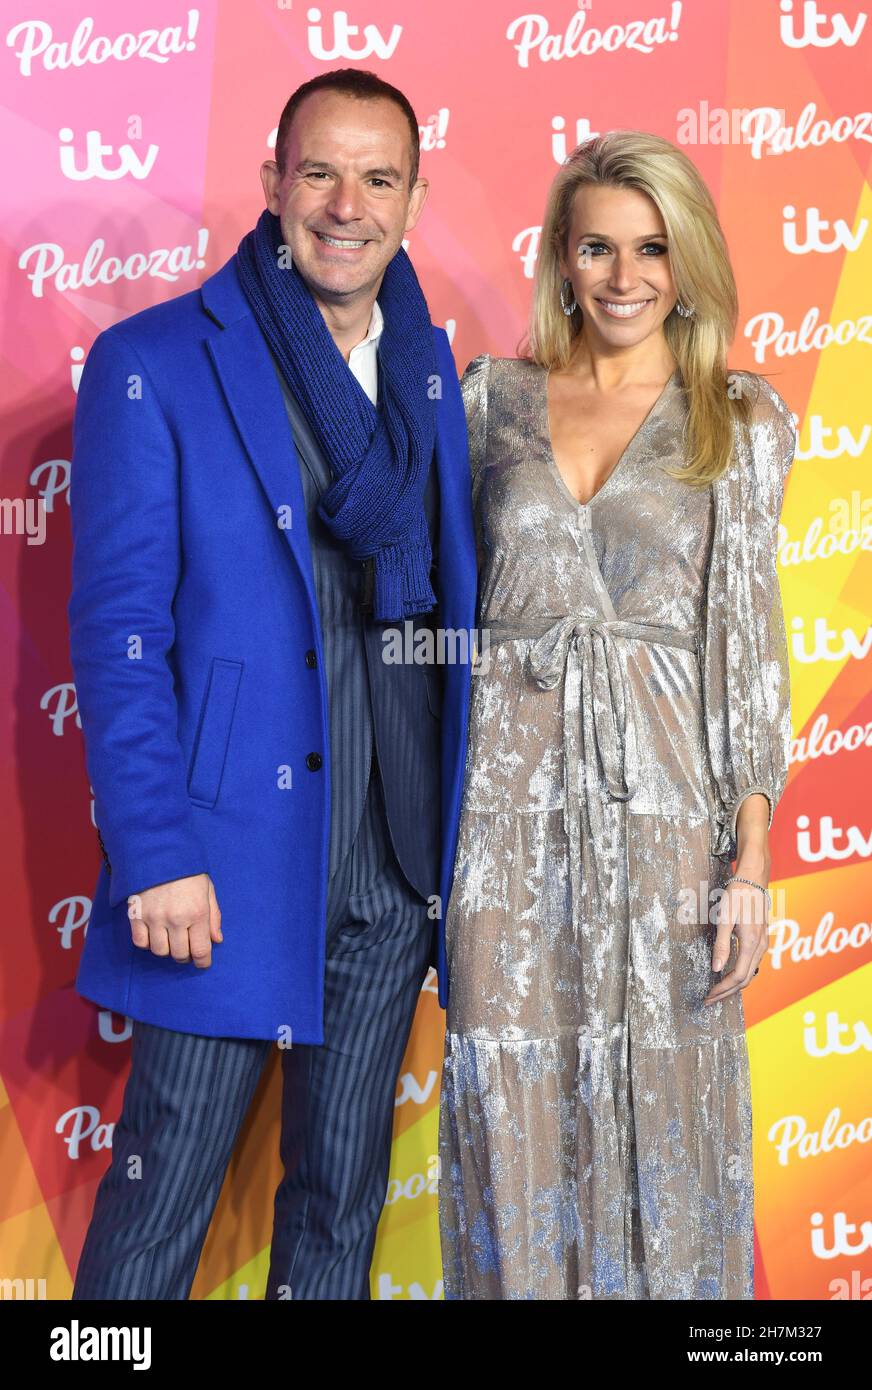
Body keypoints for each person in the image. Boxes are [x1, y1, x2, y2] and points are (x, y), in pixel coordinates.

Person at [69, 68, 477, 1301]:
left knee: (339, 1205)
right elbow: (121, 633)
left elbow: (442, 623)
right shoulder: (153, 362)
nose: (345, 204)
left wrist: (443, 863)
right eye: (318, 172)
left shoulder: (428, 374)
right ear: (271, 185)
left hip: (389, 866)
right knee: (158, 1198)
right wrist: (154, 853)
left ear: (412, 198)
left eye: (378, 177)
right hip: (221, 863)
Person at [438, 130, 796, 1300]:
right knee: (512, 1109)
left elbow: (744, 646)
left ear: (686, 263)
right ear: (562, 258)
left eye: (651, 248)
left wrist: (746, 862)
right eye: (597, 246)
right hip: (502, 826)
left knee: (669, 1109)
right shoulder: (488, 397)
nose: (624, 275)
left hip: (662, 826)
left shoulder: (735, 418)